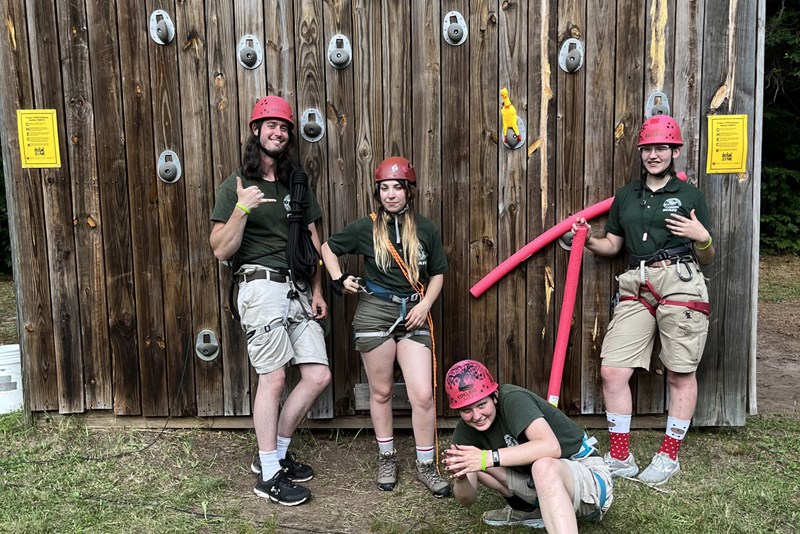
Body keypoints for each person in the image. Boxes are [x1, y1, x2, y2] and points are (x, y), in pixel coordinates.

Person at [573, 114, 715, 487]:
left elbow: (708, 256)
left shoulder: (690, 196)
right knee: (612, 370)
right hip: (636, 283)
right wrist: (588, 240)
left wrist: (702, 237)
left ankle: (668, 456)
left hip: (680, 280)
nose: (654, 155)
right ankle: (620, 456)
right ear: (641, 152)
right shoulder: (625, 196)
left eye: (661, 148)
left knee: (680, 372)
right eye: (648, 148)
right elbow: (614, 246)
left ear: (674, 152)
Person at [210, 95, 331, 506]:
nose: (277, 132)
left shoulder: (296, 183)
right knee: (275, 378)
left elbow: (314, 239)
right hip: (260, 286)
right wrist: (242, 209)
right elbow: (220, 249)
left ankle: (274, 456)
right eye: (270, 126)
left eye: (283, 127)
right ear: (255, 131)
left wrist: (317, 289)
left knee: (317, 376)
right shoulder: (237, 185)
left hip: (298, 288)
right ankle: (268, 475)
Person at [320, 156, 451, 498]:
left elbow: (437, 273)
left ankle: (425, 465)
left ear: (409, 190)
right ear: (377, 192)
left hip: (414, 313)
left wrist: (425, 305)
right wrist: (338, 279)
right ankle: (387, 456)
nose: (391, 194)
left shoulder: (426, 229)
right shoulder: (366, 227)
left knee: (422, 394)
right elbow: (328, 248)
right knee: (381, 392)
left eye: (397, 187)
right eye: (384, 188)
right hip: (374, 313)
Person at [442, 359, 613, 532]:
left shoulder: (512, 398)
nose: (477, 416)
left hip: (590, 484)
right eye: (466, 410)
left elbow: (551, 447)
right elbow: (467, 500)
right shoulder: (464, 432)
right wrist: (461, 477)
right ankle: (529, 512)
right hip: (542, 489)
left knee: (542, 466)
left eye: (481, 405)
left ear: (494, 396)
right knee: (471, 459)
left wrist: (487, 457)